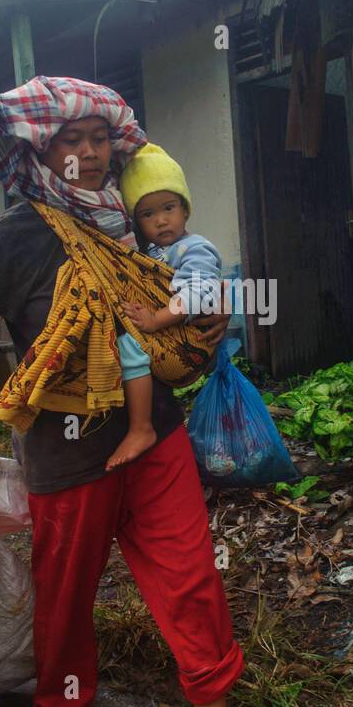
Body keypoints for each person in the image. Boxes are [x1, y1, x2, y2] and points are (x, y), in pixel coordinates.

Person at [0, 76, 243, 707]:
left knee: (191, 576)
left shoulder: (133, 224)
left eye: (100, 136)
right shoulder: (9, 240)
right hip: (65, 453)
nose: (90, 151)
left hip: (155, 435)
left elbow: (189, 286)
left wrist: (211, 318)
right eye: (71, 138)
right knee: (66, 597)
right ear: (41, 149)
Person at [107, 143, 223, 471]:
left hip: (179, 332)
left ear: (185, 210)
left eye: (168, 208)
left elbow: (200, 292)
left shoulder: (194, 248)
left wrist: (157, 319)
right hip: (168, 330)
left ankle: (141, 427)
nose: (160, 221)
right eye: (147, 214)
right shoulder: (154, 250)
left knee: (130, 346)